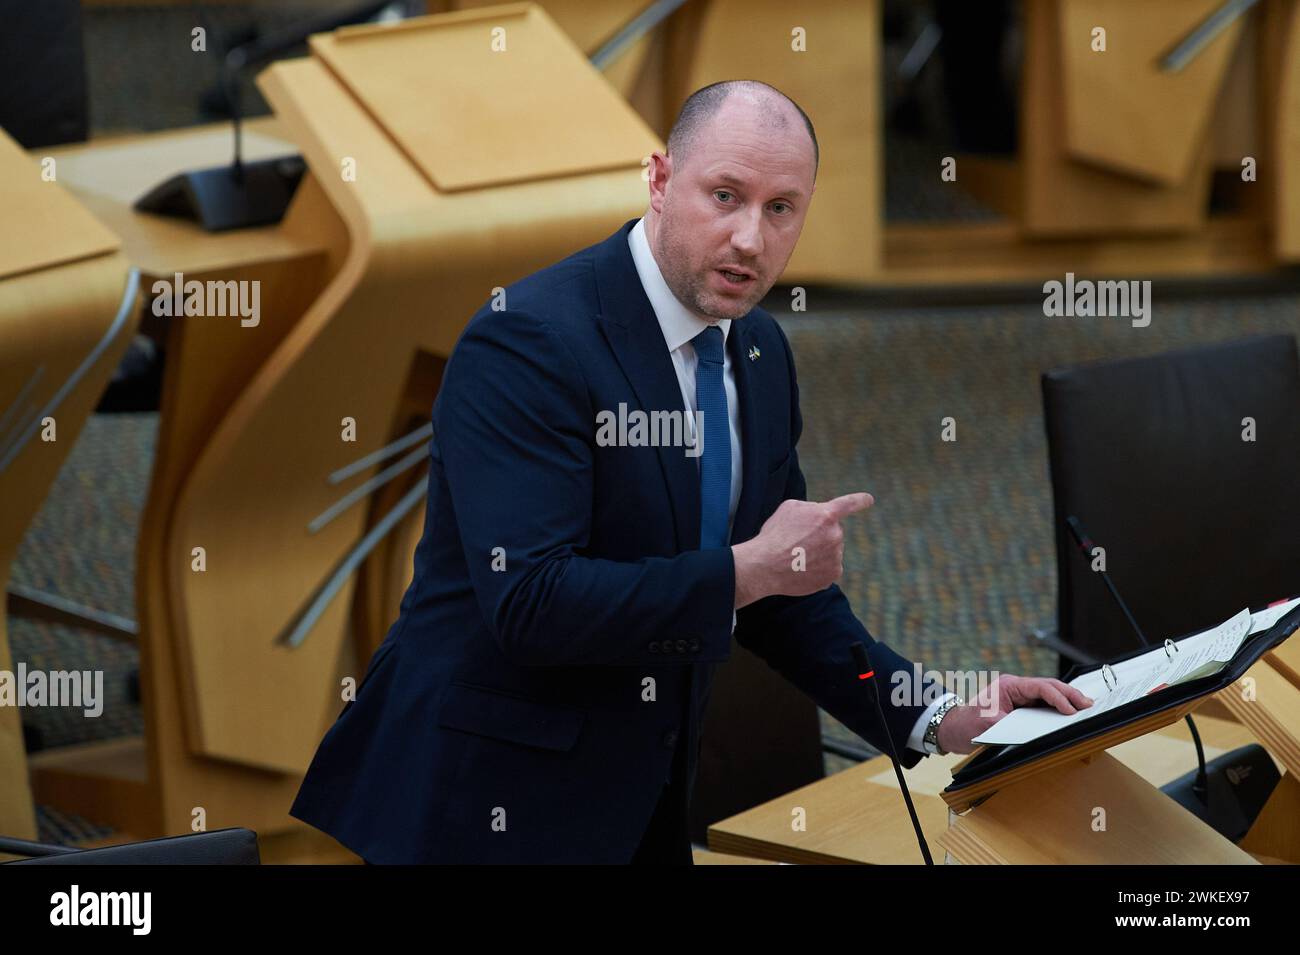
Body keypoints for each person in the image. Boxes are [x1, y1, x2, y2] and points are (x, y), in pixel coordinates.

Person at [290, 79, 1091, 864]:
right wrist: (747, 571)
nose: (751, 238)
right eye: (725, 196)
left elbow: (783, 598)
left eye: (781, 210)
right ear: (661, 180)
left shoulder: (759, 351)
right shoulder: (530, 343)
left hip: (641, 795)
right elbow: (532, 602)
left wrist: (940, 715)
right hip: (481, 804)